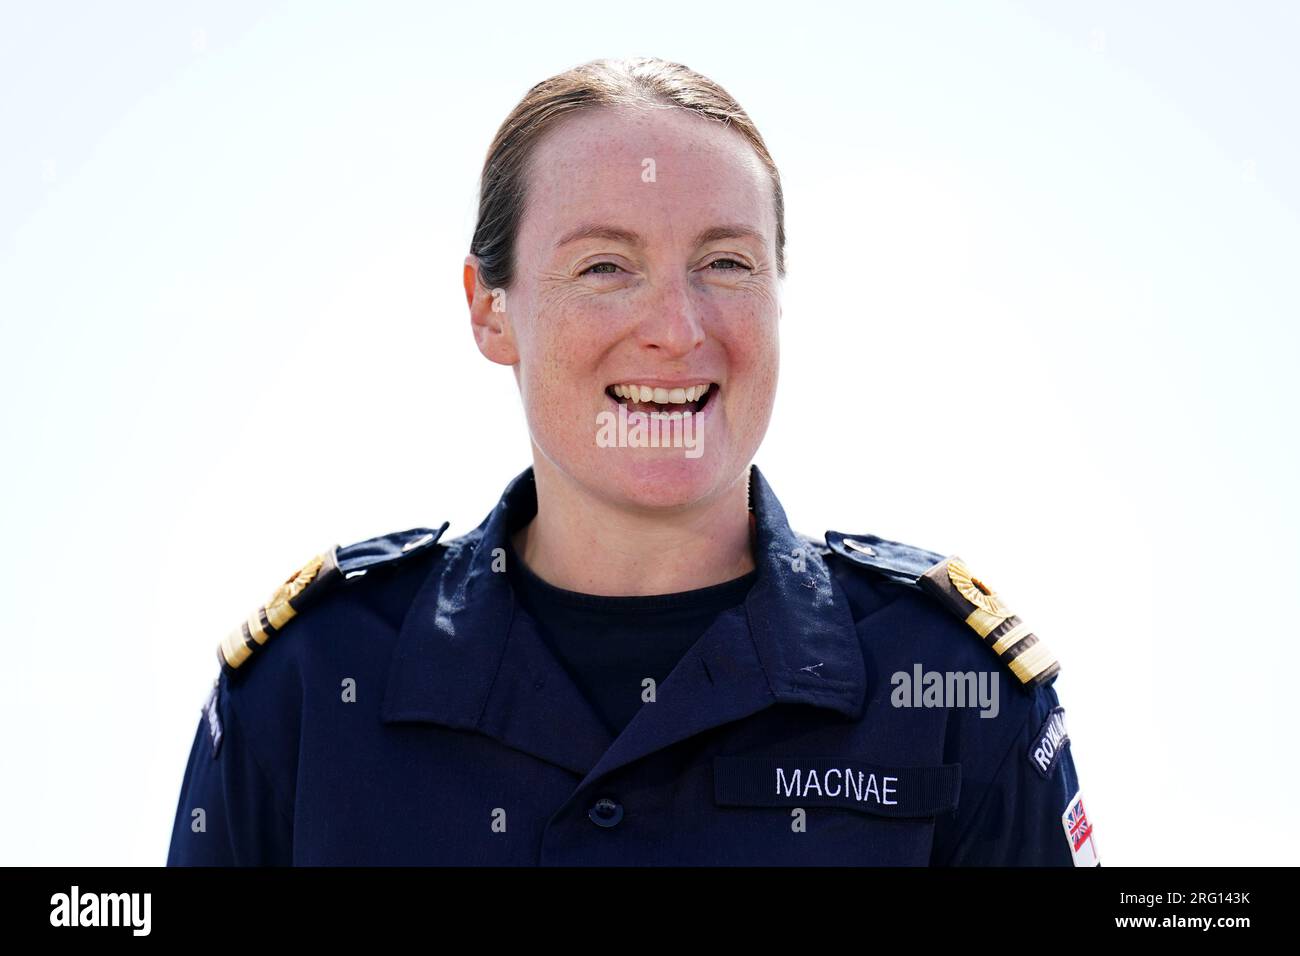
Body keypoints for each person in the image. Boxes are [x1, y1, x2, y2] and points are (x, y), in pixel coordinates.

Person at [166, 56, 1097, 866]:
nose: (677, 328)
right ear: (490, 308)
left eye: (726, 264)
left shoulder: (951, 690)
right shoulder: (309, 684)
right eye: (606, 267)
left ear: (780, 295)